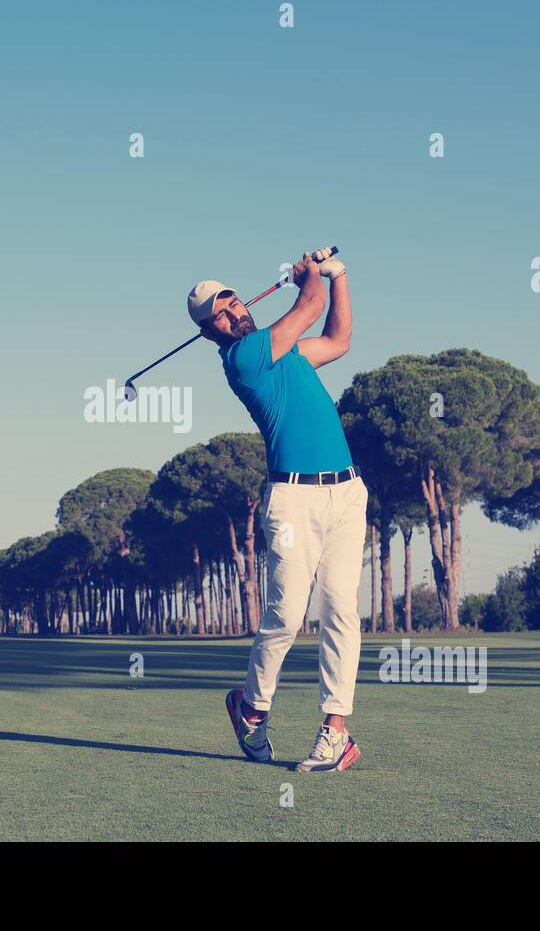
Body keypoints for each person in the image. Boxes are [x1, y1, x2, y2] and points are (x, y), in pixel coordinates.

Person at [187, 251, 368, 772]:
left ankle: (336, 731)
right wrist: (310, 276)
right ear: (209, 333)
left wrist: (339, 276)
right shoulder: (244, 358)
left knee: (341, 612)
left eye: (231, 301)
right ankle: (251, 709)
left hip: (346, 492)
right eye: (218, 315)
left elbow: (338, 339)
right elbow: (309, 304)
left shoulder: (286, 352)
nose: (231, 313)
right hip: (293, 499)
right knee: (286, 616)